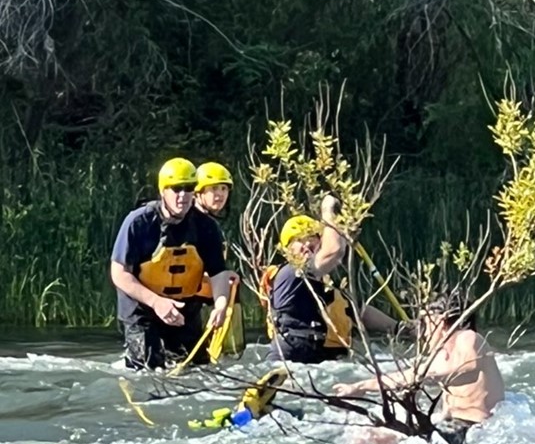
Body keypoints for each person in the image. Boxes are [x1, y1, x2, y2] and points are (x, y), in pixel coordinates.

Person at [110, 157, 237, 370]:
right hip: (142, 310)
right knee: (149, 367)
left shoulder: (206, 226)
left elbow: (218, 273)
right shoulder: (138, 222)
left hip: (183, 309)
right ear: (163, 191)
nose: (183, 196)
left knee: (197, 368)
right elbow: (119, 273)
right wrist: (157, 302)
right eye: (176, 189)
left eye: (189, 189)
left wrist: (221, 304)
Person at [333, 295, 505, 444]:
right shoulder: (440, 352)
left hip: (475, 427)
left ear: (441, 319)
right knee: (366, 436)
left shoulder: (468, 337)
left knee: (377, 439)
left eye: (425, 321)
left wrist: (427, 378)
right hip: (449, 423)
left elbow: (469, 370)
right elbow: (408, 376)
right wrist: (360, 387)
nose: (422, 328)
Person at [261, 194, 401, 363]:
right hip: (290, 358)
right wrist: (328, 210)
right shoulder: (291, 272)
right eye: (298, 241)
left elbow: (358, 312)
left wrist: (401, 329)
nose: (306, 245)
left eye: (311, 238)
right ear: (287, 250)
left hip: (323, 360)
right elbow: (334, 251)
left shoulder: (324, 285)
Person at [189, 161, 245, 360]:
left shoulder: (211, 224)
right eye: (213, 189)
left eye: (224, 189)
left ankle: (230, 352)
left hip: (210, 299)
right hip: (191, 301)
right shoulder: (191, 222)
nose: (220, 194)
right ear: (198, 192)